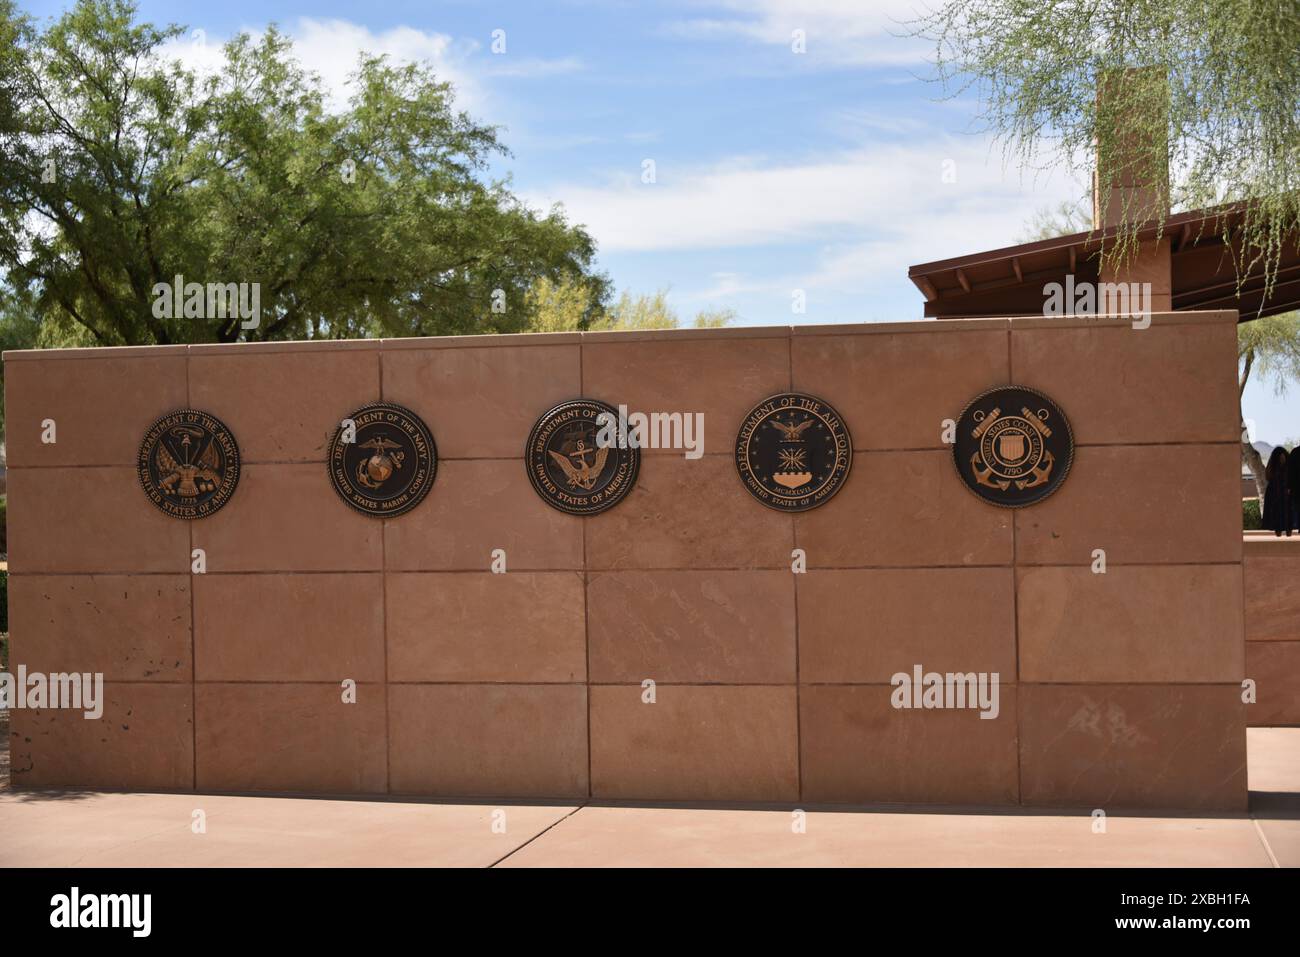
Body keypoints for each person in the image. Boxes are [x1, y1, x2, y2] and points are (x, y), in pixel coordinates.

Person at [1262, 447, 1292, 536]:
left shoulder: (1287, 467)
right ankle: (1279, 532)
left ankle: (1287, 532)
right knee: (1277, 513)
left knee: (1286, 514)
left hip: (1284, 493)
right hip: (1276, 494)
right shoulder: (1274, 467)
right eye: (1280, 457)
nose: (1282, 459)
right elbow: (1268, 477)